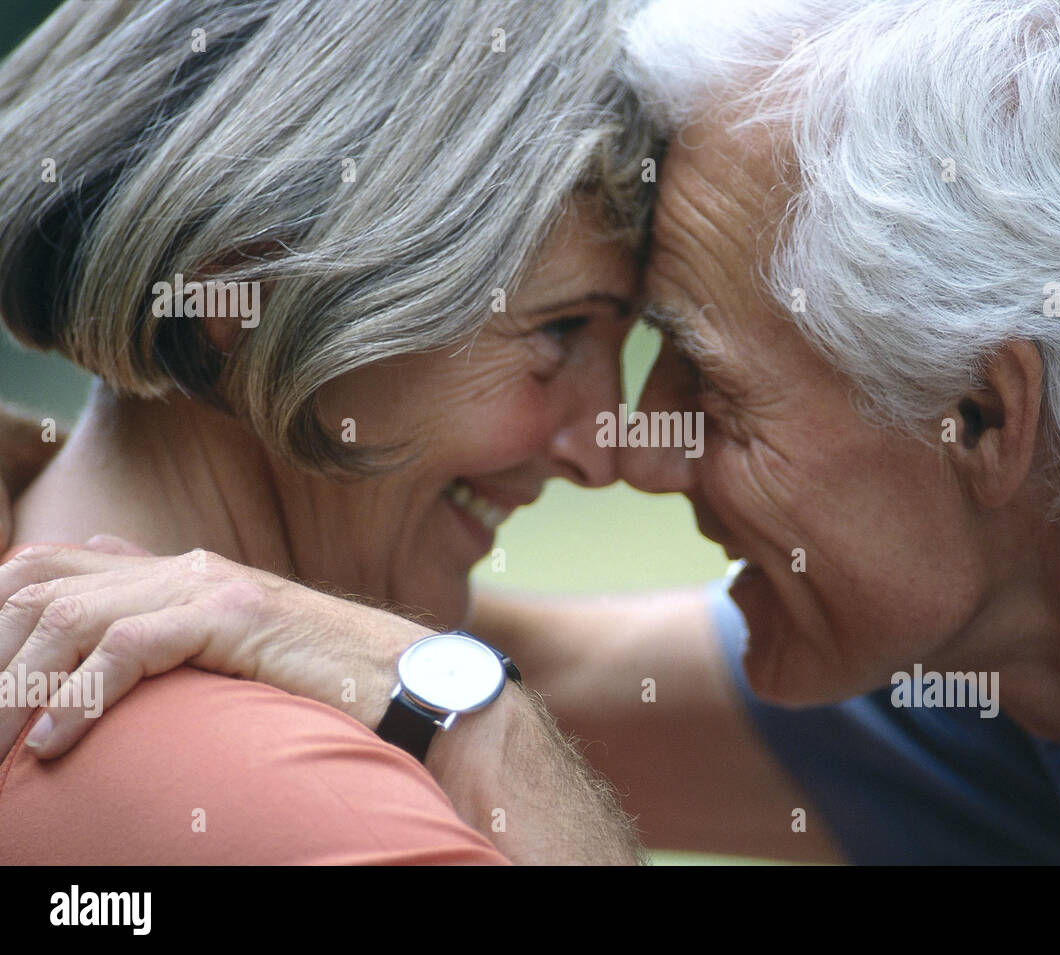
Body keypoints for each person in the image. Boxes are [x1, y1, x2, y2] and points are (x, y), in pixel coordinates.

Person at [7, 0, 1060, 865]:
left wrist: (469, 717)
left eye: (713, 387)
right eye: (579, 329)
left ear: (979, 415)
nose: (630, 444)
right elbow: (546, 661)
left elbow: (481, 682)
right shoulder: (1010, 650)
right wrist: (83, 512)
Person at [0, 0, 658, 865]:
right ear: (246, 292)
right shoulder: (318, 812)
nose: (606, 454)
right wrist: (493, 735)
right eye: (560, 329)